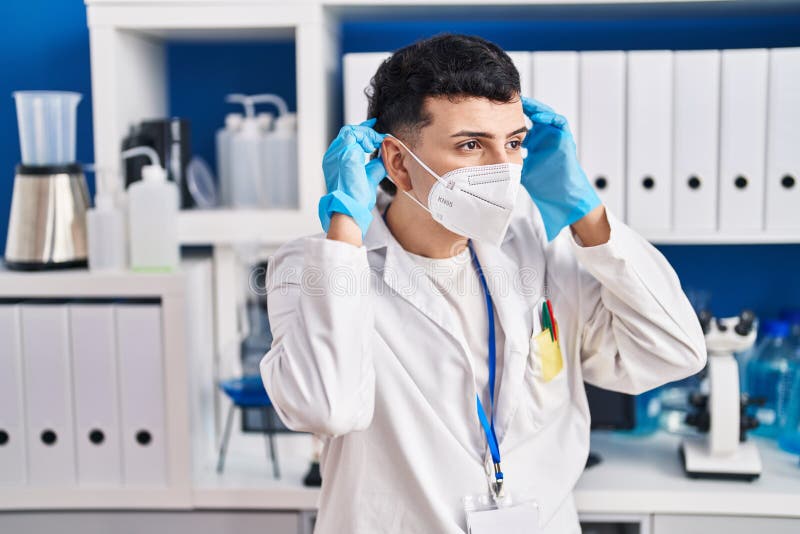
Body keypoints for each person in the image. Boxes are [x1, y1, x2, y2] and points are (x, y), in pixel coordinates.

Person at [260, 33, 706, 533]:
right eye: (471, 145)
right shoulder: (314, 266)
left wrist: (588, 213)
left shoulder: (541, 246)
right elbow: (328, 407)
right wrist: (344, 230)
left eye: (514, 142)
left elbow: (676, 350)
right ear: (400, 163)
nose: (502, 169)